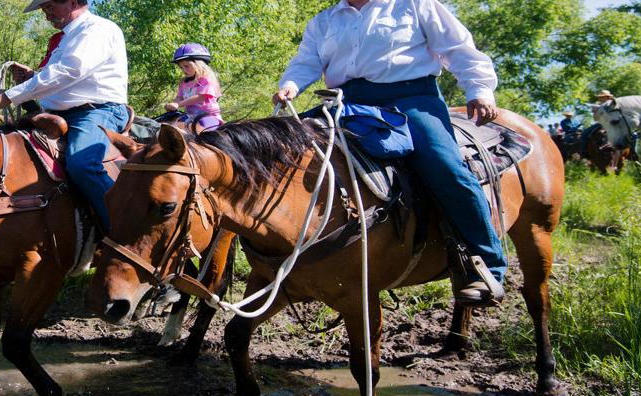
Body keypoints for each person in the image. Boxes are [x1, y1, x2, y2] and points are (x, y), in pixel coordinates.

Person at [273, 0, 508, 306]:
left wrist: (479, 90)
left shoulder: (414, 4)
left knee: (446, 168)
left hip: (411, 99)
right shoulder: (325, 20)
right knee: (279, 148)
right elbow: (307, 61)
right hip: (346, 103)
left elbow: (457, 48)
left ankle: (487, 267)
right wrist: (290, 85)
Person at [0, 0, 130, 230]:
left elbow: (69, 71)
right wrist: (32, 77)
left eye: (49, 7)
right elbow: (56, 76)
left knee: (82, 164)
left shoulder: (98, 29)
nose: (46, 15)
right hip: (57, 114)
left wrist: (7, 97)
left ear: (73, 2)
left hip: (96, 111)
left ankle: (125, 231)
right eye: (44, 9)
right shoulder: (66, 38)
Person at [164, 43, 224, 133]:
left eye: (187, 66)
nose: (184, 70)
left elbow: (200, 97)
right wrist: (173, 104)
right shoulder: (184, 82)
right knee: (171, 128)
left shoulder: (206, 79)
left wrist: (179, 104)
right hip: (190, 115)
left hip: (208, 116)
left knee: (206, 133)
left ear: (199, 64)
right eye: (181, 67)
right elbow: (179, 97)